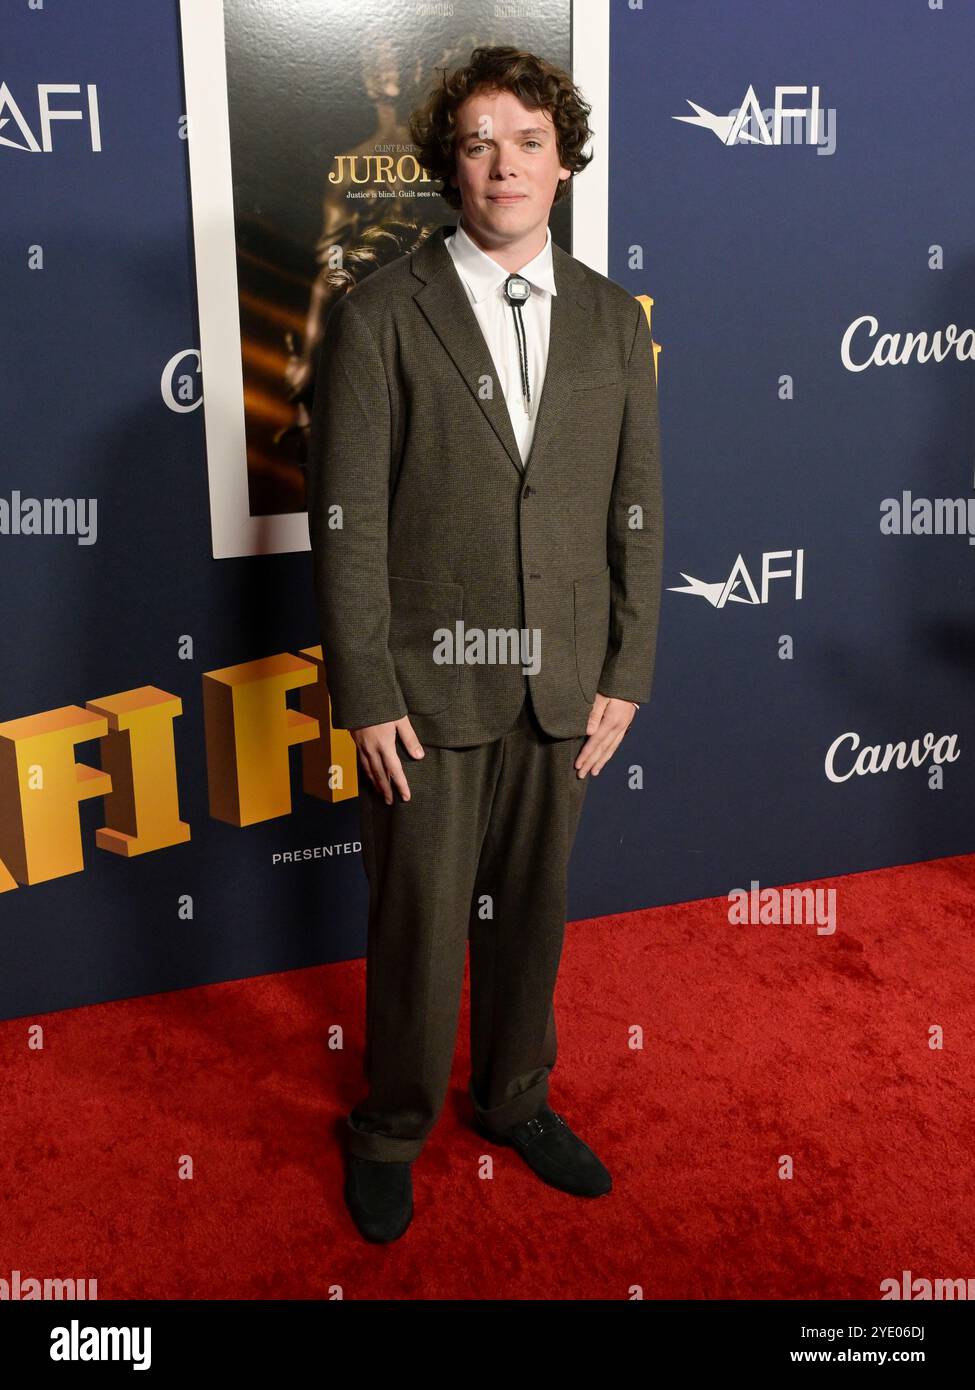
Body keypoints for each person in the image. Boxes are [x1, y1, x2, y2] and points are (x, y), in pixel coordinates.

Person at [307, 45, 663, 1243]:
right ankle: (392, 1123)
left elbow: (638, 508)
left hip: (561, 680)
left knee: (536, 911)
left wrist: (627, 667)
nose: (502, 161)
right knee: (417, 919)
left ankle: (513, 1096)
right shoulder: (377, 315)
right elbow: (346, 521)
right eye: (476, 140)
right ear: (448, 168)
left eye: (526, 138)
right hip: (425, 686)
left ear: (563, 161)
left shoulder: (616, 320)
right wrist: (364, 690)